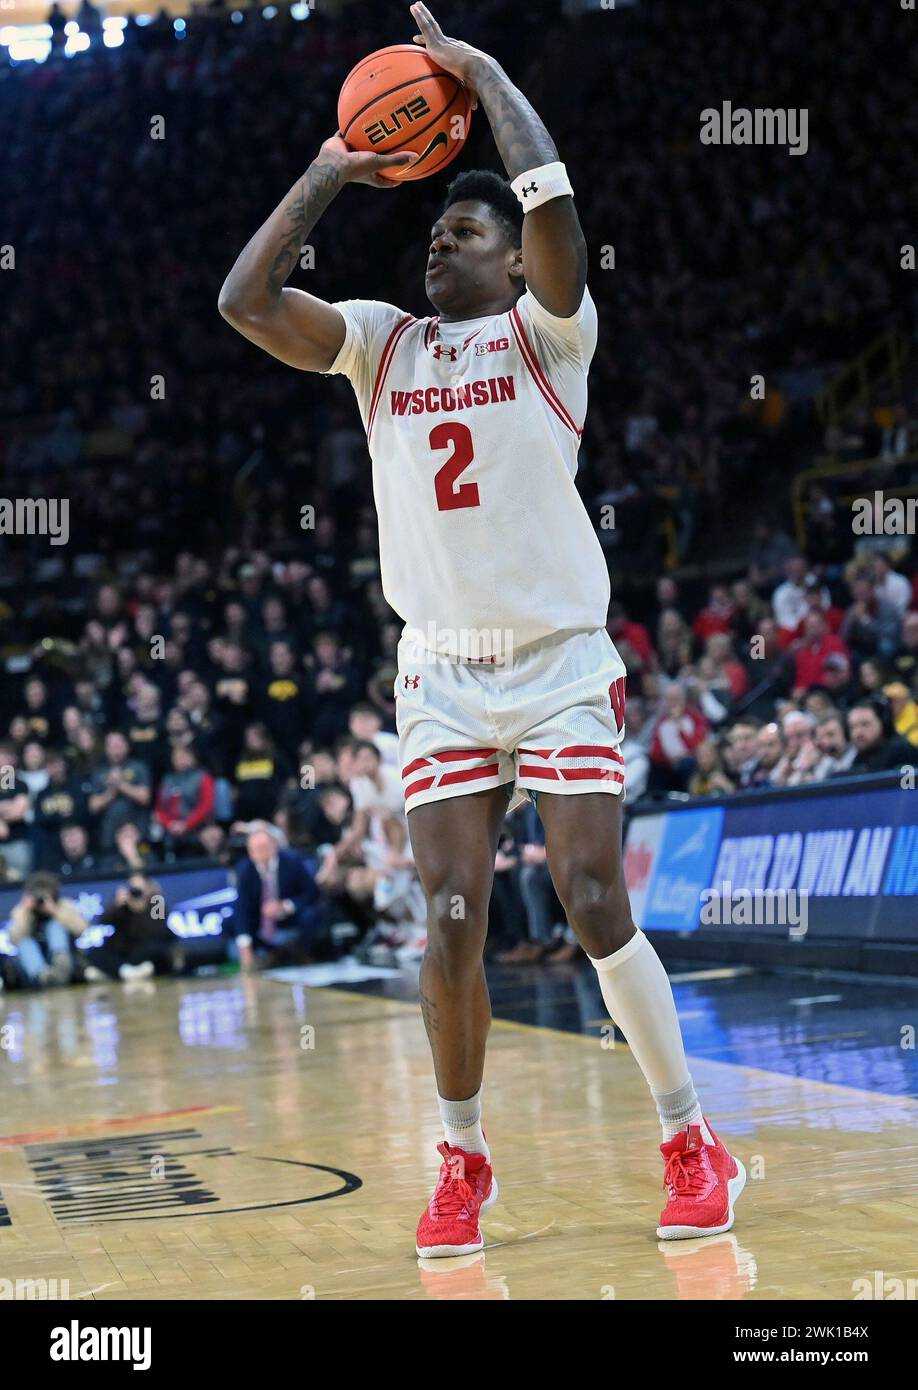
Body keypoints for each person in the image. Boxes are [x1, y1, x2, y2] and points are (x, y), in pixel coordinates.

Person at [219, 1, 745, 1255]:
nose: (436, 248)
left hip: (559, 662)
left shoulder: (549, 332)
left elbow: (554, 209)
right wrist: (334, 169)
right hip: (444, 675)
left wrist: (487, 74)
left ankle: (688, 1136)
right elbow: (245, 300)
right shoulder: (381, 345)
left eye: (463, 232)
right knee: (451, 914)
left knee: (586, 894)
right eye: (434, 232)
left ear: (511, 261)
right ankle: (462, 1156)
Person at [229, 825, 322, 970]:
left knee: (312, 914)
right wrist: (245, 947)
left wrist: (285, 905)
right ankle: (271, 955)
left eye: (263, 847)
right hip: (260, 921)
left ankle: (302, 953)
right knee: (232, 925)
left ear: (274, 847)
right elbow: (242, 907)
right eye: (255, 849)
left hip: (289, 918)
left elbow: (312, 893)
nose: (259, 853)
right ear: (250, 852)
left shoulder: (292, 862)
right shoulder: (244, 870)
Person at [82, 874, 178, 982]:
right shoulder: (123, 903)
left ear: (148, 887)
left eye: (139, 888)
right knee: (95, 952)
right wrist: (116, 905)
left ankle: (116, 972)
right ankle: (126, 971)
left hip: (146, 949)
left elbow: (158, 931)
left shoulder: (157, 901)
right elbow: (104, 921)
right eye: (132, 888)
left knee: (160, 950)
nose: (136, 892)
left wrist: (140, 910)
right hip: (125, 951)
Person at [8, 872, 90, 988]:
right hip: (37, 960)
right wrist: (25, 912)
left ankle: (60, 964)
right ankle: (43, 976)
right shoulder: (21, 910)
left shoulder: (64, 905)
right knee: (25, 942)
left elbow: (82, 929)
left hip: (65, 956)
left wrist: (55, 912)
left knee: (54, 926)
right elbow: (14, 939)